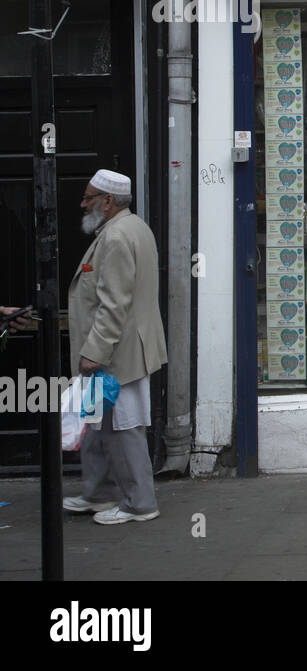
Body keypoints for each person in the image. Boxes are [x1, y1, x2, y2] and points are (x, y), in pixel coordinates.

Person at [62, 170, 168, 525]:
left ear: (107, 202)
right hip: (114, 349)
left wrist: (95, 351)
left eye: (88, 197)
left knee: (123, 428)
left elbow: (114, 303)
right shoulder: (127, 228)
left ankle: (139, 503)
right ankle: (100, 493)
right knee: (96, 423)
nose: (82, 204)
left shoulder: (118, 236)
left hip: (118, 352)